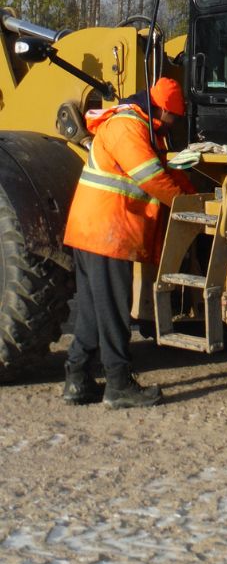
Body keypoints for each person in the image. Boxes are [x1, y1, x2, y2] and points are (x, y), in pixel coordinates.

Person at [62, 77, 195, 409]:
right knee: (114, 311)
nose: (174, 124)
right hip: (107, 231)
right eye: (174, 117)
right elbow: (151, 177)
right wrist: (187, 204)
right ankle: (118, 385)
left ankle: (77, 380)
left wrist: (195, 194)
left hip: (95, 230)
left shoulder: (141, 127)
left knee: (94, 311)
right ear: (162, 109)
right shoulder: (127, 127)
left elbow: (164, 169)